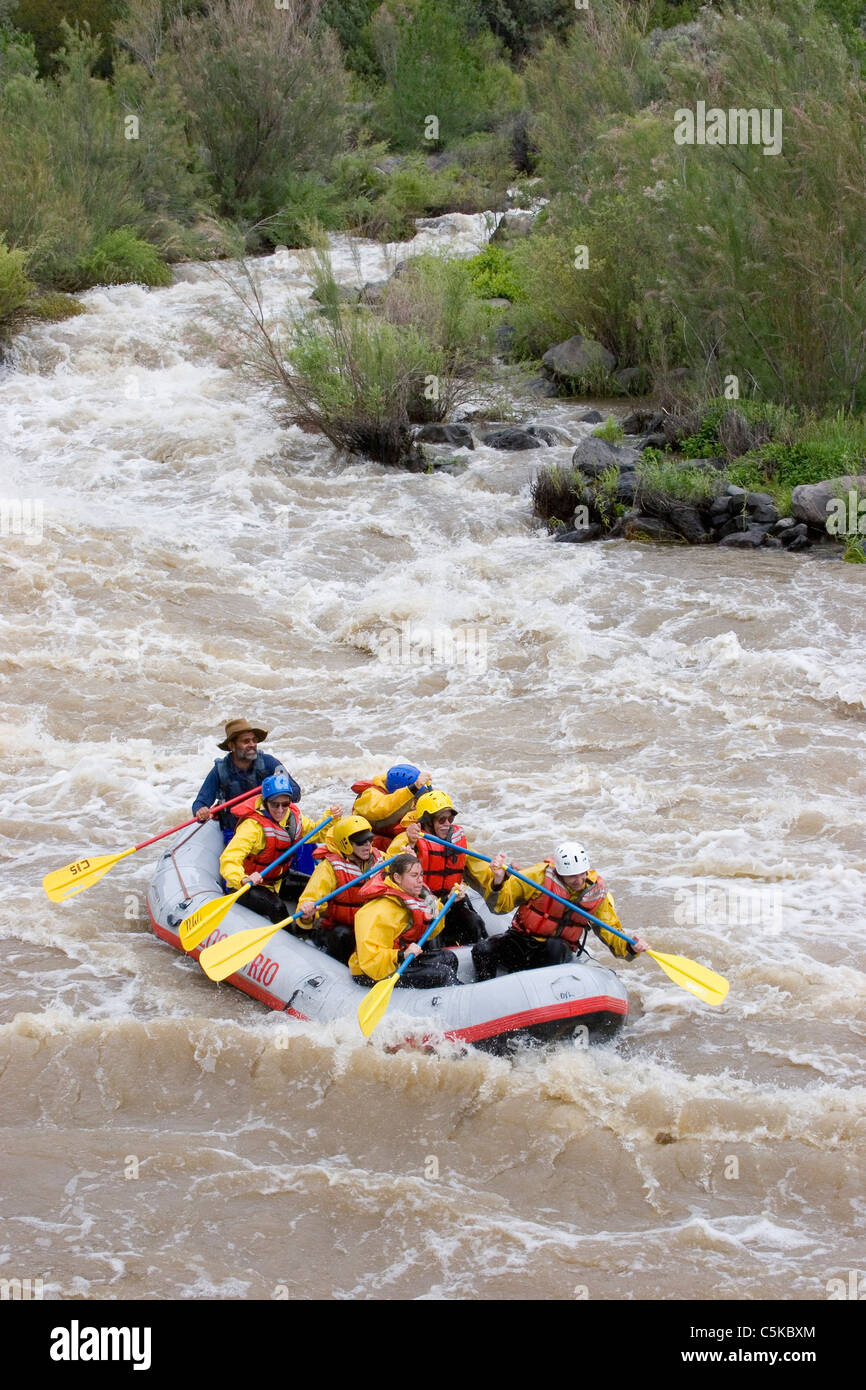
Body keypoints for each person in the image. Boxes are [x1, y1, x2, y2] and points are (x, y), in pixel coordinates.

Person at [471, 841, 648, 981]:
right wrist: (498, 882)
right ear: (559, 872)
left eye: (582, 874)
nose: (579, 880)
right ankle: (487, 994)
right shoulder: (537, 876)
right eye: (572, 876)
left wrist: (630, 947)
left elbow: (610, 929)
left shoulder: (595, 891)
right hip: (522, 939)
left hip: (558, 947)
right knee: (483, 950)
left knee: (553, 948)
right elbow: (500, 906)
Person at [219, 773, 341, 925]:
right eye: (275, 804)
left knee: (315, 891)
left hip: (278, 879)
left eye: (285, 804)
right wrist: (243, 879)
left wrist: (331, 818)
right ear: (265, 802)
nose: (280, 809)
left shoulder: (293, 818)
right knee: (277, 907)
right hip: (247, 885)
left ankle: (316, 928)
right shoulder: (252, 827)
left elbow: (318, 834)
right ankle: (290, 938)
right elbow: (229, 859)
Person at [389, 791, 489, 946]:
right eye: (442, 819)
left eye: (450, 818)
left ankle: (479, 960)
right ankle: (436, 961)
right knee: (433, 932)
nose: (447, 824)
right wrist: (410, 846)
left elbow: (482, 868)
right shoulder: (407, 840)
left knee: (474, 922)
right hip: (423, 901)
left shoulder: (457, 841)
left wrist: (501, 875)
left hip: (451, 898)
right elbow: (390, 869)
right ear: (428, 821)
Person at [348, 852, 461, 989]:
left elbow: (432, 932)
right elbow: (370, 961)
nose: (420, 880)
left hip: (400, 960)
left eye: (421, 874)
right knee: (443, 974)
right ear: (397, 877)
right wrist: (401, 955)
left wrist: (448, 901)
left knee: (449, 958)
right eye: (414, 875)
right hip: (372, 972)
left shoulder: (415, 897)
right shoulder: (377, 911)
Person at [193, 719, 300, 842]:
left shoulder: (269, 763)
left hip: (270, 828)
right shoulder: (220, 771)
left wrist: (277, 789)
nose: (252, 744)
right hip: (235, 832)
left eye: (254, 740)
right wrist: (200, 811)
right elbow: (200, 803)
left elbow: (296, 793)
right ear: (232, 746)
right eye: (246, 741)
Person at [295, 816, 384, 965]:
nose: (367, 845)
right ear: (346, 844)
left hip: (367, 928)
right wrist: (307, 913)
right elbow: (311, 897)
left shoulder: (380, 860)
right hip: (336, 929)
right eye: (361, 842)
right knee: (342, 935)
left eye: (369, 840)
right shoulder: (329, 867)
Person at [350, 764, 432, 852]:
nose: (415, 801)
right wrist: (413, 788)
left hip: (388, 833)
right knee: (404, 837)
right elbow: (384, 807)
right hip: (370, 838)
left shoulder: (398, 791)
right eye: (414, 797)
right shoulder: (370, 796)